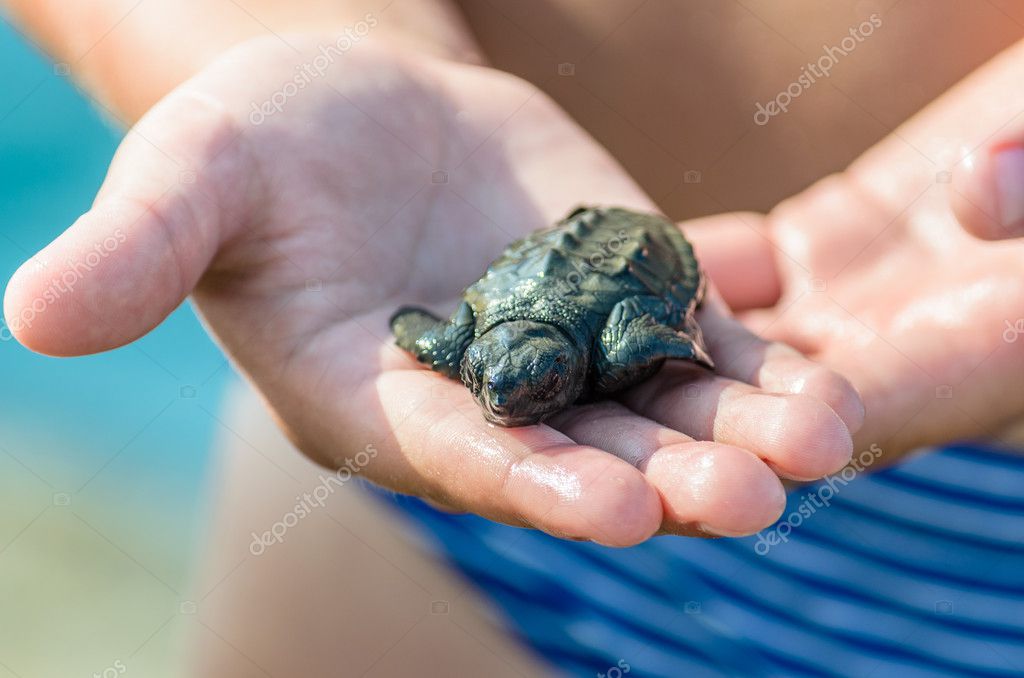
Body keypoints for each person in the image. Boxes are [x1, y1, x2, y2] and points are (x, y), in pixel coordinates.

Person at [3, 0, 1023, 675]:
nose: (507, 404)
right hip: (418, 502)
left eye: (527, 393)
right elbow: (429, 335)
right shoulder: (470, 354)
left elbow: (650, 333)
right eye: (502, 388)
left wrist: (677, 343)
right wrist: (292, 45)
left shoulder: (610, 346)